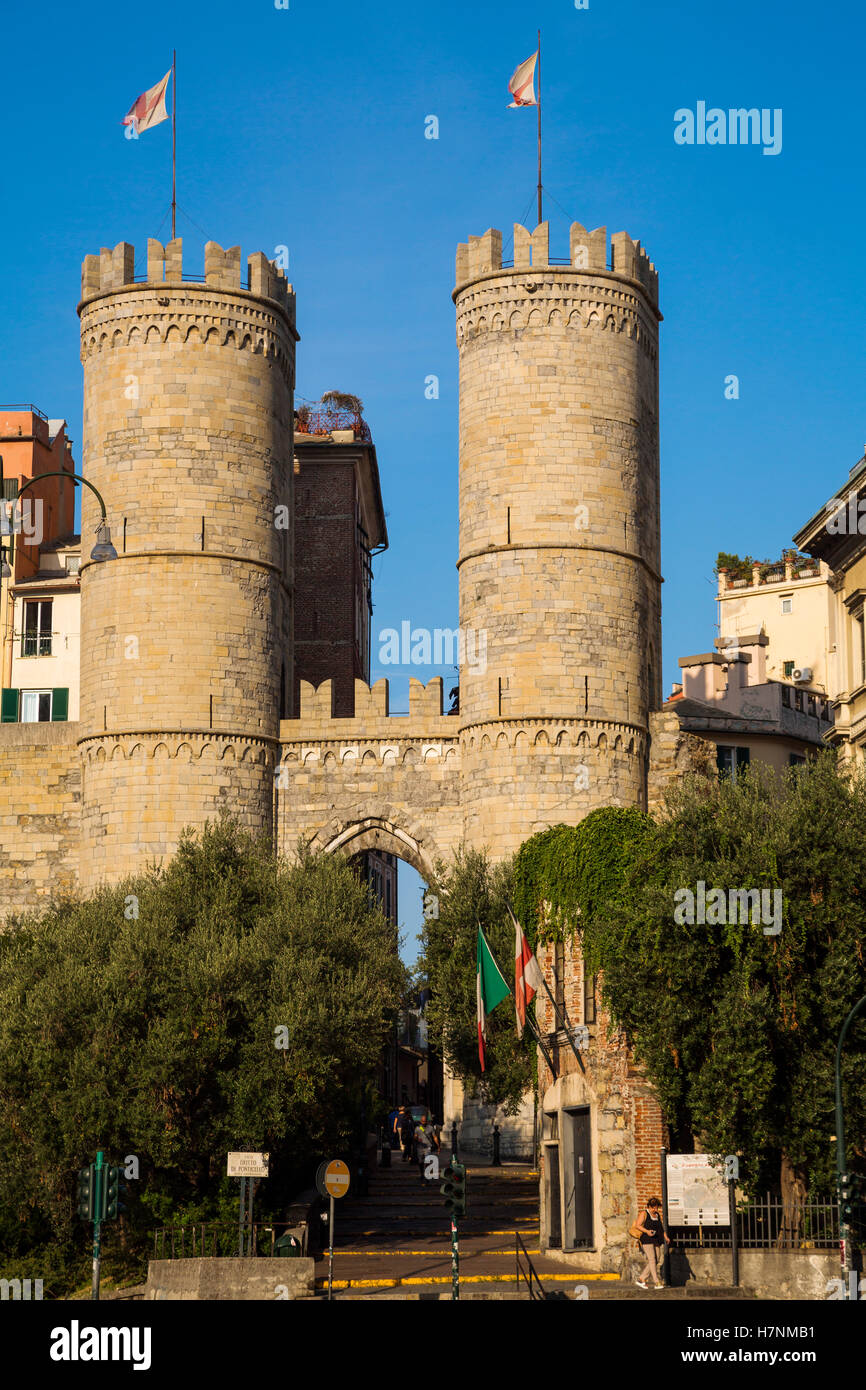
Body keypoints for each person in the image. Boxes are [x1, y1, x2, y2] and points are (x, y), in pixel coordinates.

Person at [635, 1196, 671, 1289]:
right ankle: (656, 1282)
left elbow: (660, 1228)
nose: (655, 1209)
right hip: (646, 1239)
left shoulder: (657, 1215)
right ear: (649, 1206)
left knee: (657, 1259)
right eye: (653, 1207)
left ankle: (641, 1278)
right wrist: (647, 1231)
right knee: (652, 1259)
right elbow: (637, 1225)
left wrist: (666, 1237)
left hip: (656, 1239)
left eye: (656, 1207)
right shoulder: (644, 1213)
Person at [414, 1114, 440, 1183]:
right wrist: (416, 1139)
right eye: (422, 1121)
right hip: (420, 1147)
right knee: (420, 1162)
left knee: (427, 1161)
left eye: (425, 1121)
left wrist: (438, 1146)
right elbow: (415, 1136)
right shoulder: (417, 1128)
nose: (424, 1123)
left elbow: (434, 1137)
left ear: (427, 1121)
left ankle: (426, 1174)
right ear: (420, 1121)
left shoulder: (430, 1128)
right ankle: (422, 1174)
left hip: (428, 1147)